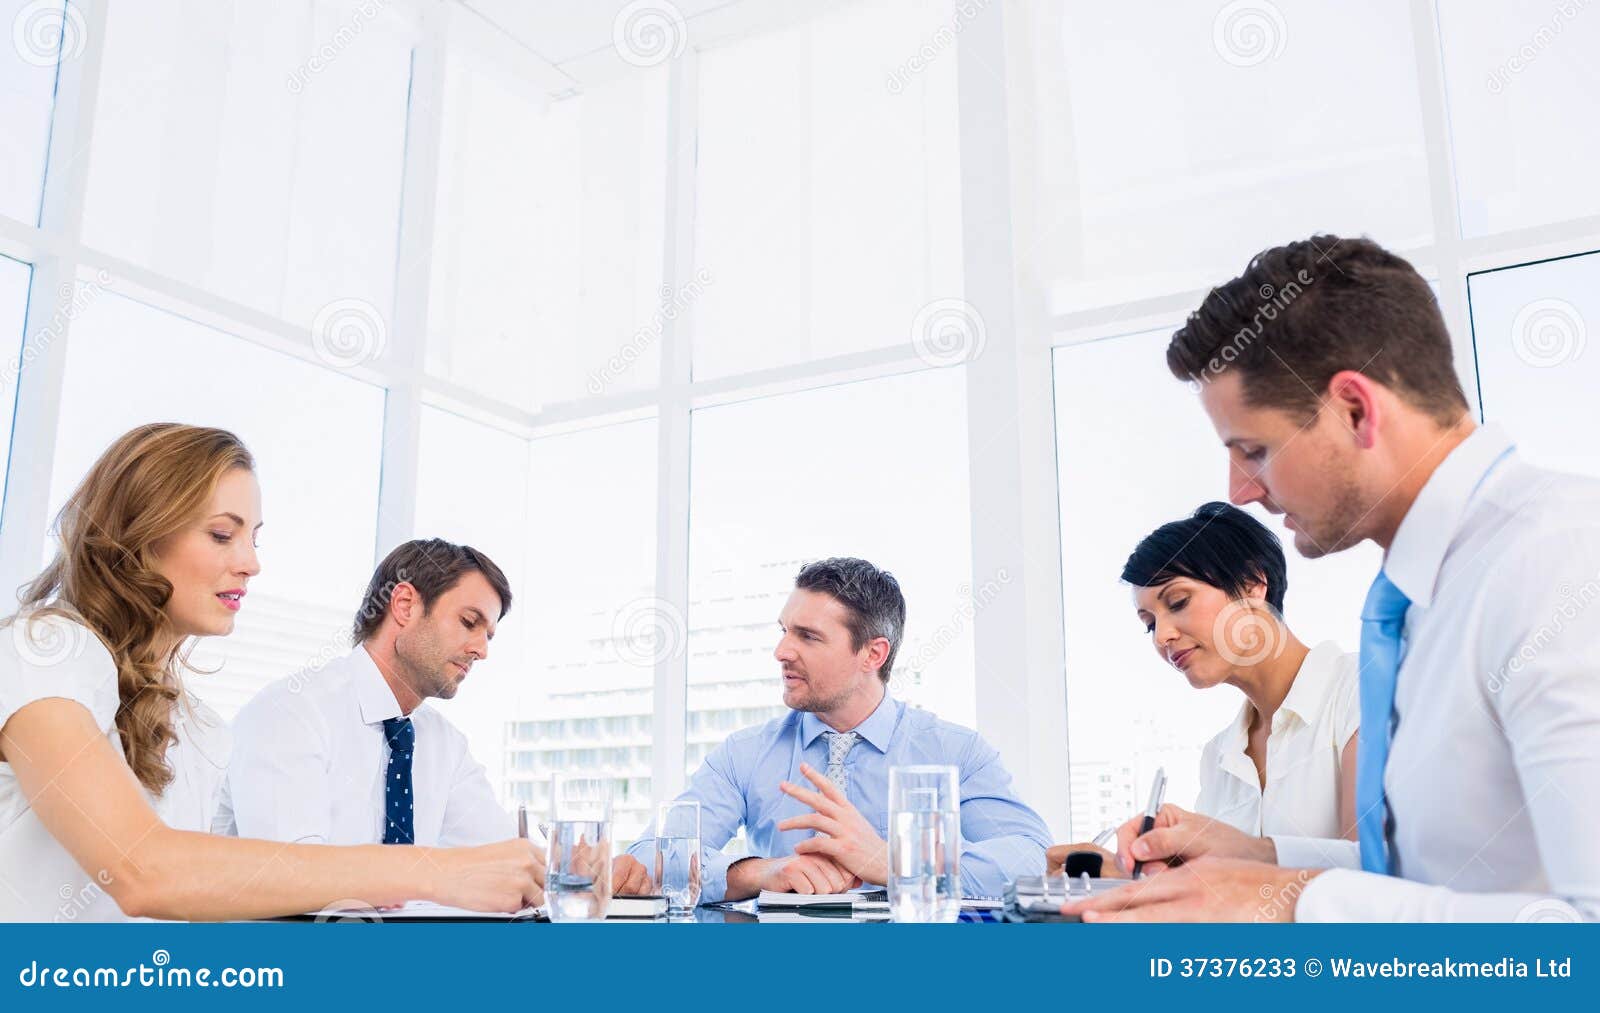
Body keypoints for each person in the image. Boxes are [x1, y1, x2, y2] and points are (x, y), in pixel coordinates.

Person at [1065, 235, 1600, 922]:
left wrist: (1294, 903)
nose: (1240, 489)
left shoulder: (1559, 560)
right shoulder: (1427, 596)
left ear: (1355, 409)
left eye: (1253, 450)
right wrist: (1252, 862)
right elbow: (1428, 881)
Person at [0, 424, 542, 922]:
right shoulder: (44, 651)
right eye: (221, 534)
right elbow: (144, 870)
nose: (251, 563)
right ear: (140, 533)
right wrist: (435, 872)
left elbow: (199, 900)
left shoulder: (192, 724)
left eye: (253, 538)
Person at [217, 538, 651, 894]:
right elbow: (292, 883)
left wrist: (579, 870)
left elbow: (507, 859)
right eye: (469, 622)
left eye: (489, 634)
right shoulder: (290, 714)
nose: (482, 650)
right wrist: (450, 873)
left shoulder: (442, 743)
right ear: (404, 605)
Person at [628, 556, 1051, 901]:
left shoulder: (956, 752)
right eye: (784, 632)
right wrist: (760, 872)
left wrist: (894, 863)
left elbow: (1031, 859)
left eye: (807, 636)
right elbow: (650, 857)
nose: (781, 651)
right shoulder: (745, 753)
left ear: (872, 654)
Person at [1048, 502, 1359, 877]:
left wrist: (1248, 854)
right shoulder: (1219, 757)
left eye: (1178, 602)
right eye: (1149, 624)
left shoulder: (1358, 691)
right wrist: (1127, 876)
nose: (1163, 636)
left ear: (1252, 585)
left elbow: (1377, 879)